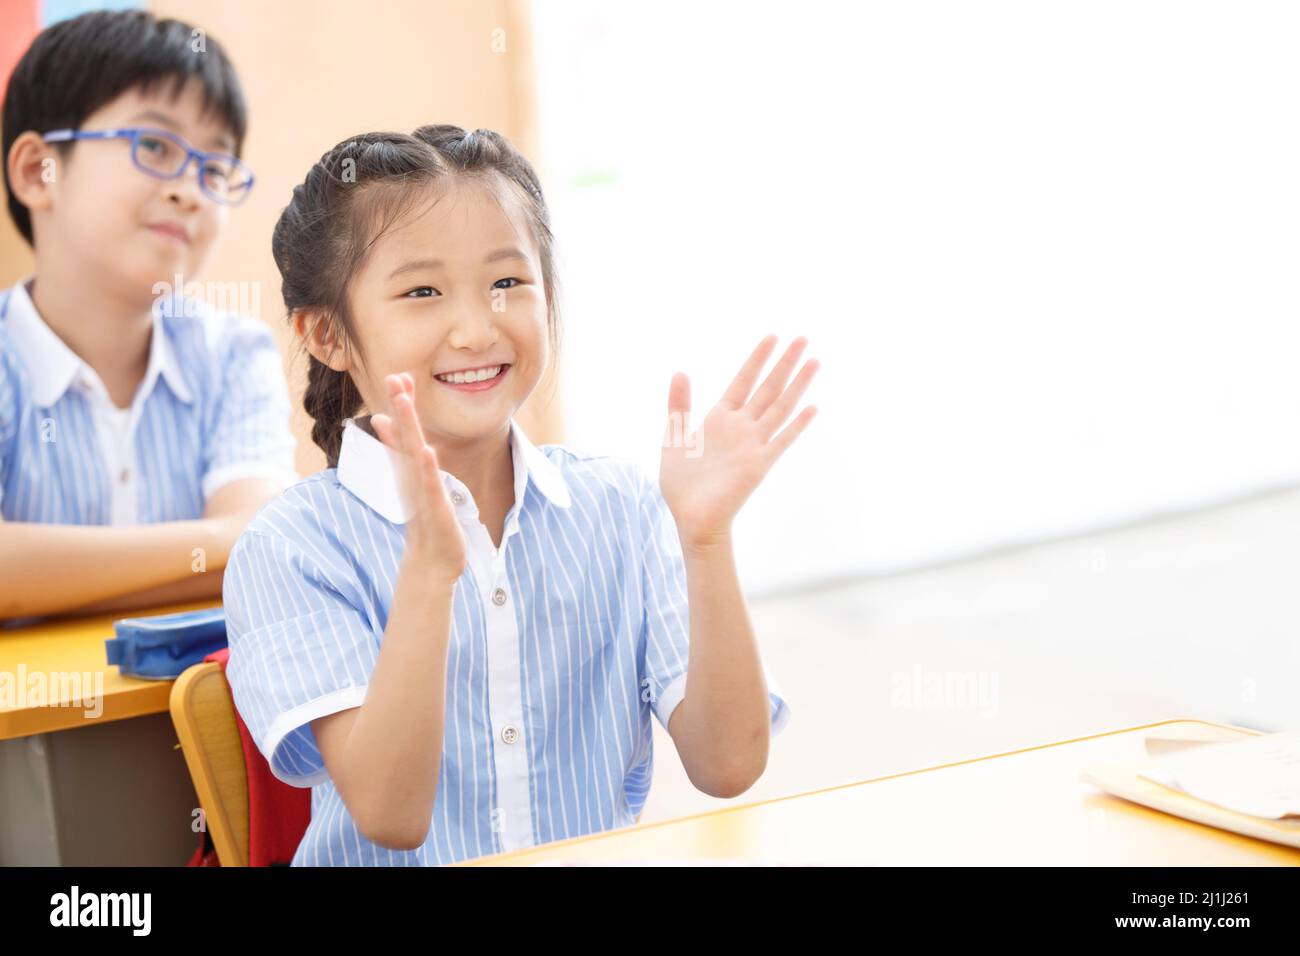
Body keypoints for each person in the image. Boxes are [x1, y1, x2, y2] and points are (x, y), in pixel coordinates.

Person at [222, 124, 819, 865]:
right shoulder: (292, 549)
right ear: (328, 336)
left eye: (508, 282)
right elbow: (390, 813)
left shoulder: (619, 507)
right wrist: (429, 579)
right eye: (422, 292)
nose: (477, 329)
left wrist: (704, 538)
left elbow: (728, 766)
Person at [0, 9, 297, 620]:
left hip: (190, 721)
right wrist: (222, 544)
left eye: (214, 167)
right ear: (39, 172)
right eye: (155, 145)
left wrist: (36, 581)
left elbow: (270, 555)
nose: (191, 190)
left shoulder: (234, 352)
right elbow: (249, 545)